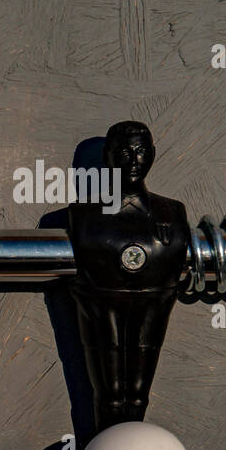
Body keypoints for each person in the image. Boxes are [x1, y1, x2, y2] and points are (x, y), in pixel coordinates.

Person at [68, 121, 189, 430]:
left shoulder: (171, 212)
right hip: (100, 308)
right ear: (108, 157)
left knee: (137, 395)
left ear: (152, 155)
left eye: (140, 152)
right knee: (108, 394)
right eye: (123, 152)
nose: (133, 161)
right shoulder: (84, 215)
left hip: (154, 306)